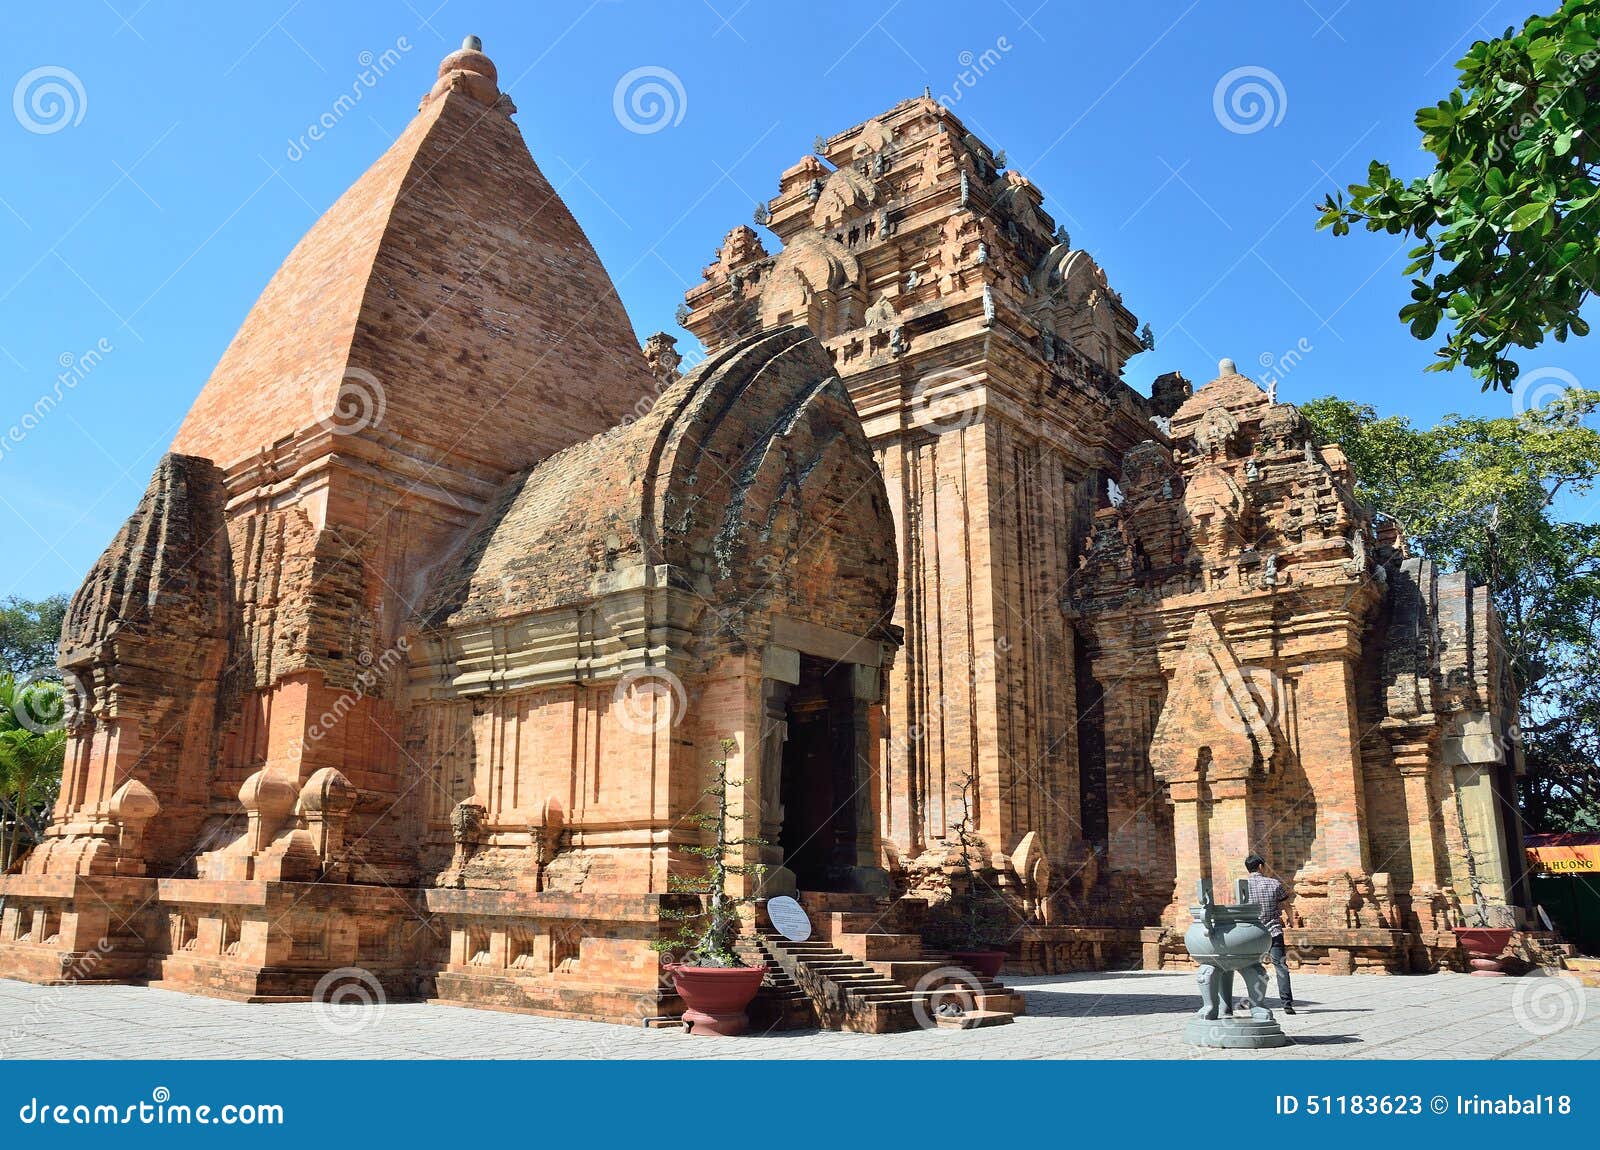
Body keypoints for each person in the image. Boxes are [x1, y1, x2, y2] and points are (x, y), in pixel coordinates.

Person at [1243, 853, 1295, 1015]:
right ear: (1260, 866)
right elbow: (1286, 904)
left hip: (1251, 933)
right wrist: (1291, 920)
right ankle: (1287, 1003)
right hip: (1273, 931)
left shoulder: (1241, 886)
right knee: (1280, 967)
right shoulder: (1274, 883)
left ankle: (1255, 1002)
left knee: (1251, 967)